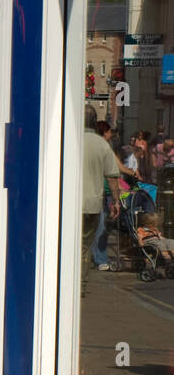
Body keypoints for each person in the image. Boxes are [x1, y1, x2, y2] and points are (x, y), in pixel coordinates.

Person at [82, 106, 121, 291]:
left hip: (68, 206)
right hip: (93, 205)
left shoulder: (68, 140)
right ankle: (81, 283)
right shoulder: (102, 144)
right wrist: (116, 201)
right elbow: (113, 176)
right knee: (85, 247)